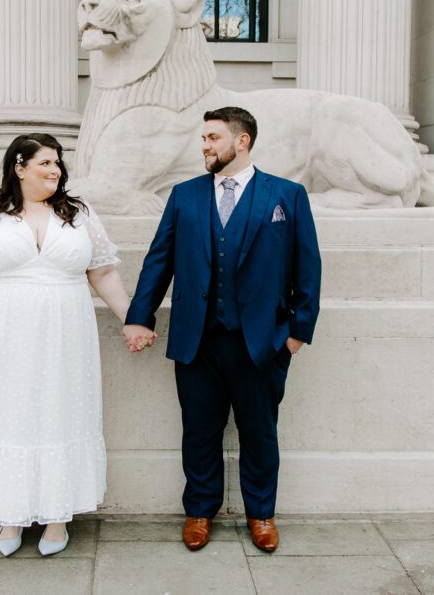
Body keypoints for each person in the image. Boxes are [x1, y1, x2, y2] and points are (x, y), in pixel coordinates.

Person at [123, 106, 321, 553]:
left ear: (242, 140)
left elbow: (307, 267)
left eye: (213, 137)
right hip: (198, 339)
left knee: (260, 431)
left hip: (263, 342)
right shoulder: (185, 195)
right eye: (204, 138)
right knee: (199, 430)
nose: (205, 146)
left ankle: (262, 514)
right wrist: (140, 315)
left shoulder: (287, 196)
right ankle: (199, 511)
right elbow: (160, 260)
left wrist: (297, 332)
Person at [0, 133, 129, 557]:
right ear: (19, 167)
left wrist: (131, 320)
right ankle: (9, 515)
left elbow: (103, 273)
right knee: (6, 415)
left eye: (58, 163)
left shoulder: (78, 213)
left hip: (65, 338)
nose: (55, 170)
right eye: (45, 163)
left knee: (61, 413)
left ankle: (57, 518)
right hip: (2, 335)